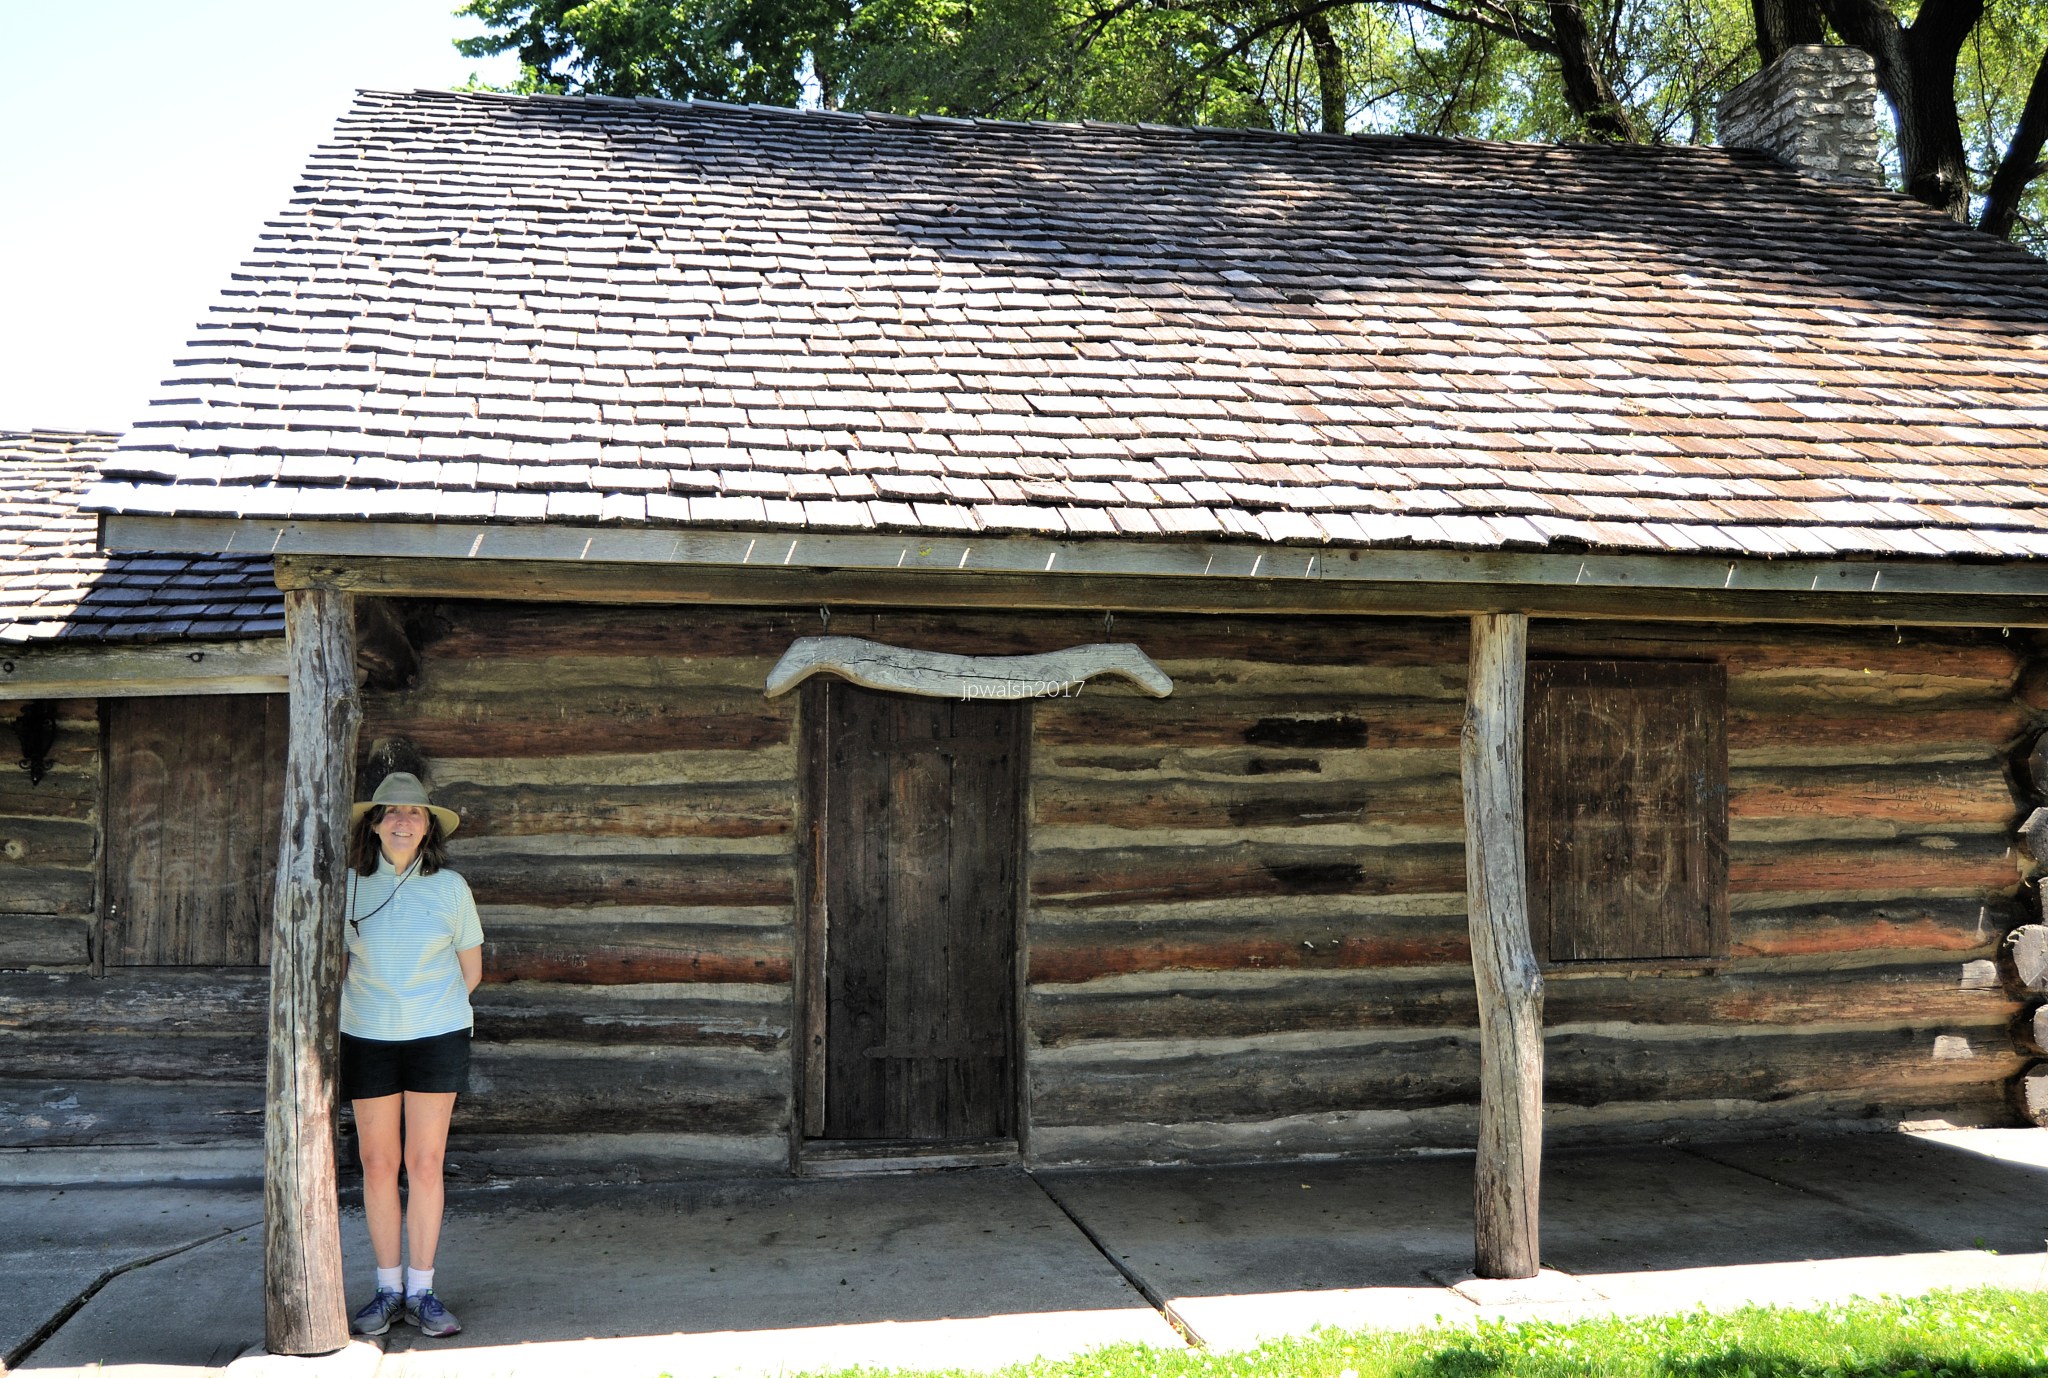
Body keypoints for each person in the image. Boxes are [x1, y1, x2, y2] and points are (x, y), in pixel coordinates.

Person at [340, 772, 483, 1340]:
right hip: (368, 1037)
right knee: (377, 1165)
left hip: (437, 1038)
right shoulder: (348, 887)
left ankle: (422, 1291)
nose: (403, 821)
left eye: (416, 813)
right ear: (374, 824)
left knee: (424, 1164)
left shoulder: (451, 888)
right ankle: (387, 1289)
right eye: (391, 811)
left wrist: (427, 1012)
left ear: (429, 829)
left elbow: (471, 971)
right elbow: (338, 967)